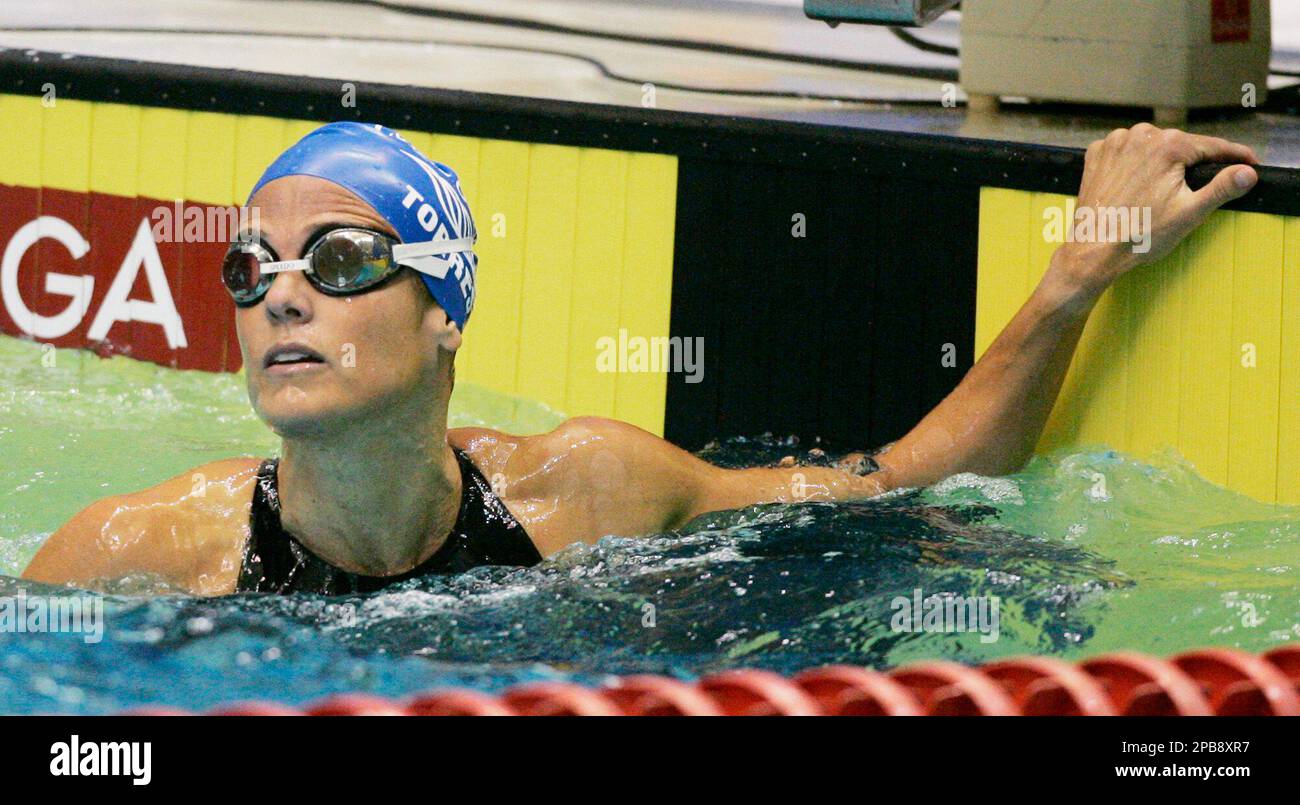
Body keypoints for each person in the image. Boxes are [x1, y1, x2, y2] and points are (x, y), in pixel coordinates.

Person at [21, 121, 1259, 595]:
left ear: (444, 309)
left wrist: (1077, 272)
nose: (281, 295)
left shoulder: (589, 492)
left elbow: (904, 483)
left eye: (339, 261)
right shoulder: (136, 556)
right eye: (250, 269)